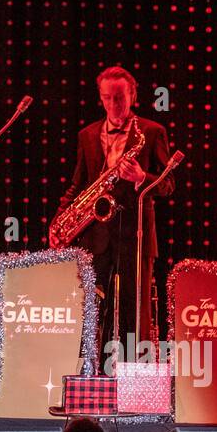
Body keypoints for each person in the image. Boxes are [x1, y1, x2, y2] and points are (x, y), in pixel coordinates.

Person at [52, 66, 175, 347]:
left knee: (135, 313)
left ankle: (134, 374)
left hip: (136, 236)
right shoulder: (88, 134)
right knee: (93, 311)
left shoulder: (152, 132)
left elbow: (168, 186)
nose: (113, 105)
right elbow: (78, 183)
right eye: (107, 98)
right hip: (96, 235)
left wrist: (142, 178)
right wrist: (60, 219)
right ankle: (93, 370)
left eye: (119, 98)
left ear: (132, 95)